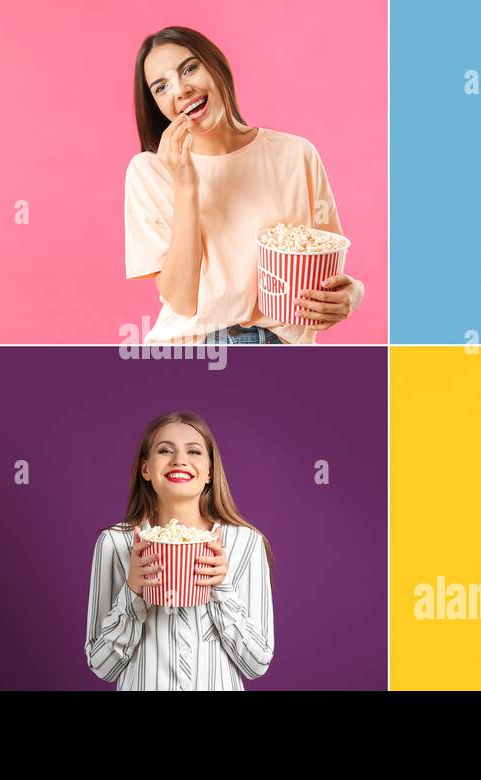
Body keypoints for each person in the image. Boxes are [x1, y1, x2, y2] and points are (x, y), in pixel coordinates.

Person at [125, 26, 365, 345]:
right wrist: (187, 187)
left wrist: (354, 293)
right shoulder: (150, 172)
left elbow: (326, 270)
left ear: (216, 65)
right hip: (193, 351)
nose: (181, 90)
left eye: (190, 68)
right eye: (161, 87)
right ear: (157, 105)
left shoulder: (296, 155)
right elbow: (182, 300)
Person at [86, 411, 274, 689]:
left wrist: (222, 589)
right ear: (146, 469)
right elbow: (102, 666)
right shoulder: (115, 543)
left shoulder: (246, 543)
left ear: (210, 471)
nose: (179, 460)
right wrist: (133, 592)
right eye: (165, 450)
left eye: (194, 451)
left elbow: (257, 664)